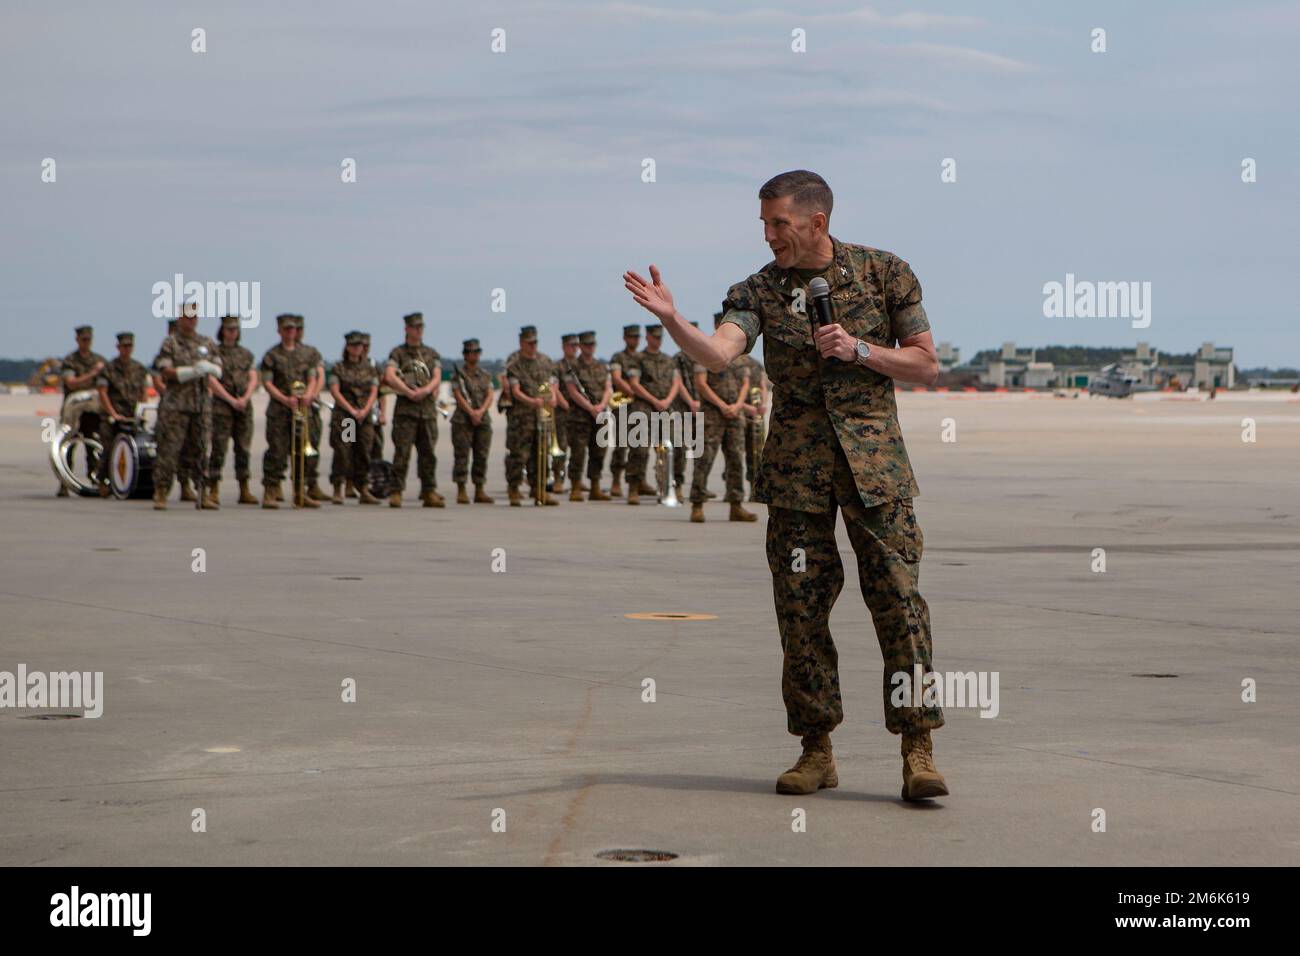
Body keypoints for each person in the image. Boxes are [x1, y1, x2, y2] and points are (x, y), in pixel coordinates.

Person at [622, 169, 949, 801]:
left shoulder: (886, 274)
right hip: (798, 477)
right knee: (800, 614)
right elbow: (719, 354)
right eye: (765, 224)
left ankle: (917, 748)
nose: (770, 235)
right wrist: (672, 319)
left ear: (817, 222)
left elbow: (926, 364)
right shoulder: (760, 289)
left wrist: (858, 349)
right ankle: (816, 750)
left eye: (780, 224)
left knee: (901, 607)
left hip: (875, 473)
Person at [151, 306, 221, 510]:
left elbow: (218, 368)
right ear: (180, 319)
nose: (190, 321)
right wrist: (190, 372)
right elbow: (165, 371)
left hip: (200, 406)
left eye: (194, 318)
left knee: (201, 451)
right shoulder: (170, 343)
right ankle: (161, 492)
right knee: (169, 451)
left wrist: (210, 369)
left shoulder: (206, 343)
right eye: (186, 318)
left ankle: (202, 493)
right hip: (176, 406)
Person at [689, 314, 756, 524]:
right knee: (705, 458)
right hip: (713, 413)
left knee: (736, 459)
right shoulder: (704, 350)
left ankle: (736, 504)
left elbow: (746, 383)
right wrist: (722, 405)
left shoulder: (741, 354)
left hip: (735, 413)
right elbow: (701, 383)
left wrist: (737, 406)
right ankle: (697, 504)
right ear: (717, 325)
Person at [259, 313, 321, 509]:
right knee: (277, 451)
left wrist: (308, 396)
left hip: (302, 410)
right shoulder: (272, 355)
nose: (290, 332)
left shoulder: (308, 353)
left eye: (293, 328)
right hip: (280, 410)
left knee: (303, 453)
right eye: (286, 329)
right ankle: (271, 490)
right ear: (279, 331)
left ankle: (299, 493)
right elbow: (267, 383)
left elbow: (313, 378)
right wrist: (285, 399)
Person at [383, 312, 444, 508]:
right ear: (407, 329)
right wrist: (408, 391)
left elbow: (436, 376)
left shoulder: (430, 353)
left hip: (426, 411)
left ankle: (429, 491)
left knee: (428, 454)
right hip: (406, 412)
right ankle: (396, 491)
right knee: (402, 452)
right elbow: (390, 376)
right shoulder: (398, 353)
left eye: (421, 327)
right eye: (415, 327)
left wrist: (425, 390)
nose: (418, 330)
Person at [623, 323, 681, 505]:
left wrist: (667, 400)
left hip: (664, 408)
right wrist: (654, 400)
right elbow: (634, 383)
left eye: (660, 338)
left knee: (669, 449)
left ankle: (666, 487)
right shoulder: (638, 358)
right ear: (647, 337)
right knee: (639, 449)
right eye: (654, 337)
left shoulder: (668, 360)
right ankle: (634, 486)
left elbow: (676, 382)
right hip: (643, 408)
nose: (657, 341)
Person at [503, 325, 559, 506]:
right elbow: (515, 390)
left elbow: (552, 384)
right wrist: (531, 401)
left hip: (541, 418)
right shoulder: (515, 365)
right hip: (522, 417)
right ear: (521, 343)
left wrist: (553, 398)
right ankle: (514, 488)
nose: (533, 346)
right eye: (529, 343)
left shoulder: (545, 361)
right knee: (519, 454)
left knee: (540, 454)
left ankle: (539, 490)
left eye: (535, 342)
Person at [207, 315, 259, 506]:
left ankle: (244, 488)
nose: (232, 333)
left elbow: (253, 377)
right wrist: (229, 399)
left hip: (243, 406)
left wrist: (245, 398)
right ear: (222, 331)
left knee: (243, 449)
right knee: (219, 448)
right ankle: (212, 489)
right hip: (222, 406)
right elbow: (210, 380)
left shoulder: (245, 354)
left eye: (235, 329)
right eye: (229, 329)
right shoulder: (214, 353)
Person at [327, 331, 381, 504]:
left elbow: (374, 391)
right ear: (347, 347)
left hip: (364, 417)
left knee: (364, 452)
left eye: (359, 345)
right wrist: (351, 410)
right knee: (344, 451)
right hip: (347, 418)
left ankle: (363, 488)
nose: (356, 348)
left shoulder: (370, 368)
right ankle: (338, 487)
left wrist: (365, 410)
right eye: (353, 345)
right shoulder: (339, 368)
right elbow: (335, 391)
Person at [93, 332, 150, 496]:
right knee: (108, 449)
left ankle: (128, 481)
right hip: (112, 416)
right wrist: (113, 413)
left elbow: (143, 391)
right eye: (124, 346)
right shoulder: (108, 369)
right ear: (118, 347)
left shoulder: (139, 368)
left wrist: (142, 409)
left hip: (132, 416)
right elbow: (102, 392)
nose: (127, 349)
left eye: (129, 346)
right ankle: (103, 480)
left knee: (135, 451)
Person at [57, 325, 107, 496]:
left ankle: (96, 481)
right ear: (77, 340)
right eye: (83, 339)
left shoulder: (99, 360)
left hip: (92, 411)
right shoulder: (70, 360)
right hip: (72, 411)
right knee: (67, 448)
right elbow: (71, 382)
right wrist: (92, 374)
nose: (86, 343)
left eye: (89, 339)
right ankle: (64, 483)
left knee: (94, 446)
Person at [562, 330, 612, 501]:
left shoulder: (601, 366)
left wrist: (601, 405)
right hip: (580, 417)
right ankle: (575, 487)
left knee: (599, 452)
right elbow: (572, 391)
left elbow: (608, 388)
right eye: (586, 344)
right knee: (578, 452)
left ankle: (595, 487)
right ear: (581, 346)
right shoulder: (572, 367)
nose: (589, 347)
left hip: (600, 414)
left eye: (592, 344)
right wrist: (590, 407)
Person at [450, 338, 495, 504]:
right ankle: (461, 489)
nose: (473, 355)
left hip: (482, 419)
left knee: (481, 455)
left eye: (476, 352)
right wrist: (471, 412)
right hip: (463, 419)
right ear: (464, 355)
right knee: (462, 454)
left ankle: (479, 489)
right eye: (470, 352)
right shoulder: (458, 375)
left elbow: (490, 395)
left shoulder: (485, 375)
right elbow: (458, 395)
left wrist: (480, 412)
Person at [605, 324, 642, 498]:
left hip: (640, 408)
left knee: (640, 446)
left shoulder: (642, 358)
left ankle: (639, 480)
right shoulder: (618, 357)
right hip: (622, 407)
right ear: (625, 338)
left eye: (637, 337)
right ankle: (616, 481)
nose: (635, 340)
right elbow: (617, 379)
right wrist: (633, 391)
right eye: (632, 337)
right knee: (621, 445)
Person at [551, 333, 579, 493]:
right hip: (563, 411)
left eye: (576, 346)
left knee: (578, 448)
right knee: (560, 446)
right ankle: (557, 478)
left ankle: (576, 479)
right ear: (563, 347)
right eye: (571, 345)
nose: (574, 349)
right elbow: (554, 387)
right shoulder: (558, 366)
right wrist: (565, 404)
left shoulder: (581, 365)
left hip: (580, 413)